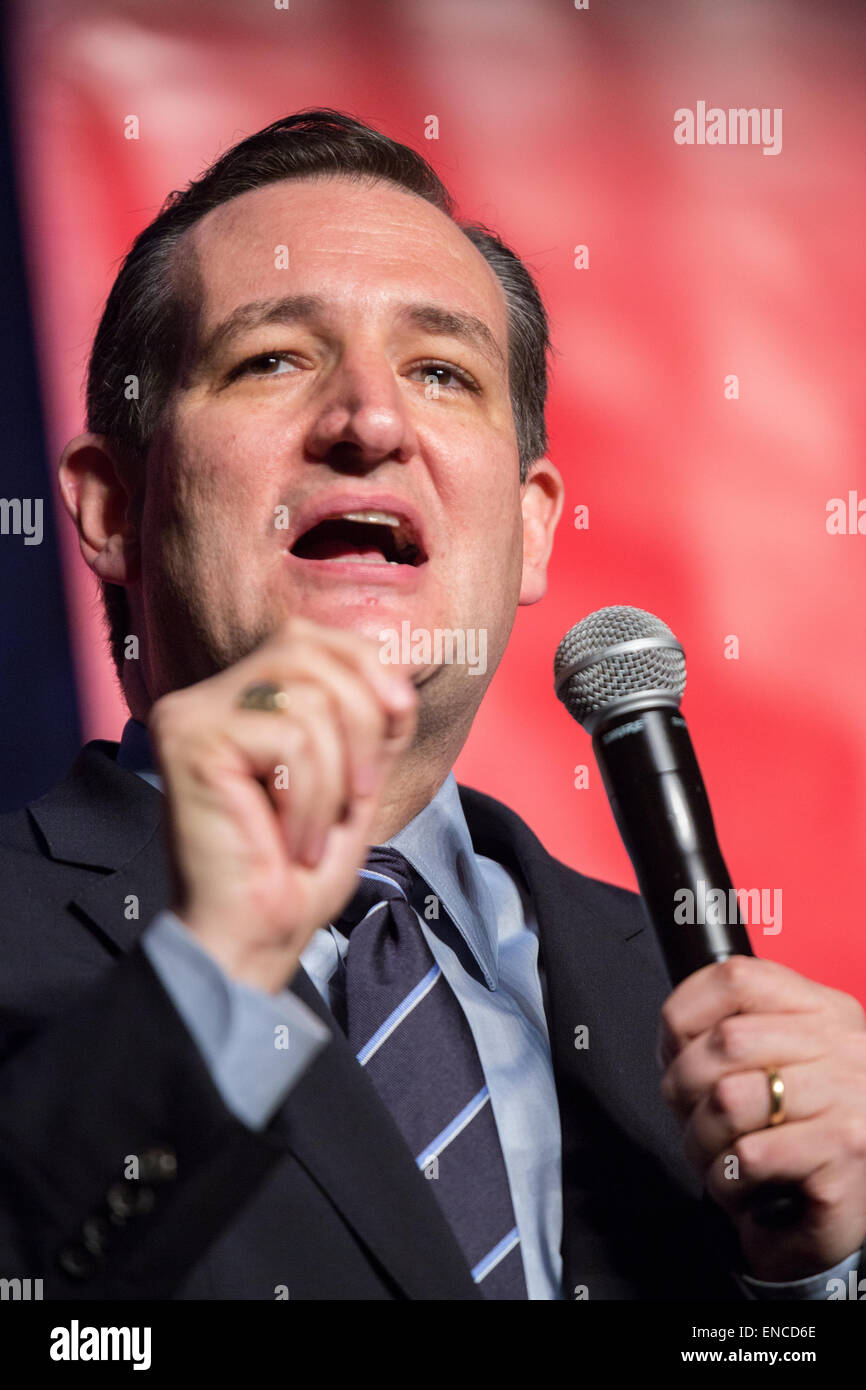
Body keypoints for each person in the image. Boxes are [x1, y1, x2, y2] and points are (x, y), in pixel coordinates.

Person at [1, 109, 864, 1301]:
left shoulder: (668, 992)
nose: (370, 420)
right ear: (106, 508)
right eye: (273, 359)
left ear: (528, 528)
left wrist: (813, 1280)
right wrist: (213, 977)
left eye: (441, 372)